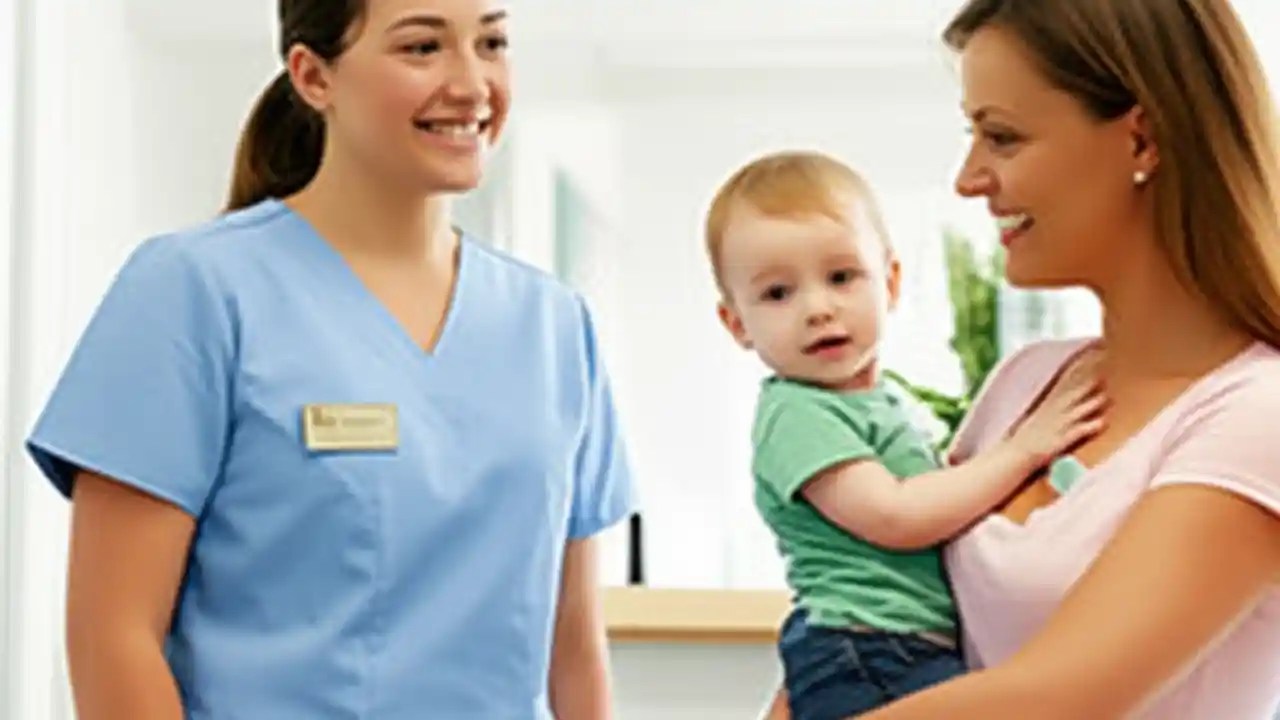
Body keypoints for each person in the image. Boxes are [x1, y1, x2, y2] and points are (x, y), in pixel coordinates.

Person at [24, 1, 635, 718]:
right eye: (422, 47)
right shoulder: (193, 292)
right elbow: (114, 638)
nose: (472, 84)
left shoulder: (555, 326)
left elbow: (574, 646)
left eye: (492, 42)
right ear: (314, 77)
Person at [853, 0, 1280, 717]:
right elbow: (884, 612)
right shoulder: (1023, 384)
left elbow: (1056, 697)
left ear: (1142, 141)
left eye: (1003, 137)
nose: (969, 178)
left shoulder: (1257, 414)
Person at [705, 151, 1106, 719]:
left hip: (895, 646)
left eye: (842, 277)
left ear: (890, 282)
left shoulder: (889, 401)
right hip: (864, 645)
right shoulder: (796, 413)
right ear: (737, 324)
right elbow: (897, 516)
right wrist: (1023, 451)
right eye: (777, 294)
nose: (818, 308)